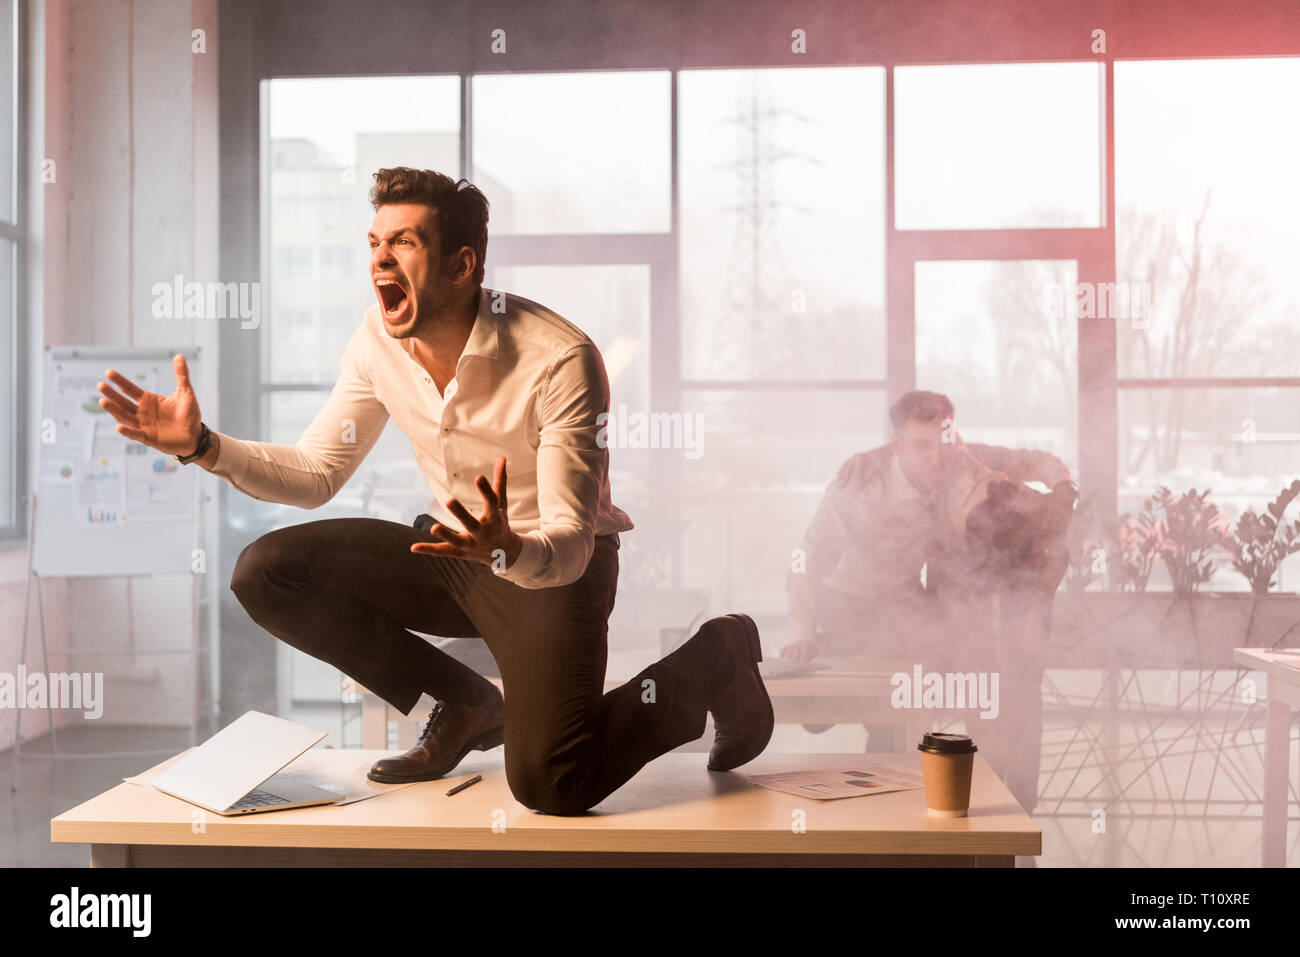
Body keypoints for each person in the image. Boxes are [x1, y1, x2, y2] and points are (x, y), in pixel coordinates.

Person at [95, 167, 773, 816]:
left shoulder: (559, 358)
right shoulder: (376, 339)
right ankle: (462, 702)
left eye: (405, 244)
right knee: (266, 572)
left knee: (552, 782)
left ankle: (715, 658)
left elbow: (570, 540)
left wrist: (507, 546)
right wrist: (202, 446)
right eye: (375, 243)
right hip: (456, 554)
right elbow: (314, 473)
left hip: (553, 572)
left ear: (462, 265)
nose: (380, 261)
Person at [781, 390, 1075, 813]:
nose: (934, 458)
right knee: (832, 711)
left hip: (905, 604)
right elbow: (806, 560)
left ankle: (920, 819)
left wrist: (1066, 485)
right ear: (898, 446)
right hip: (846, 600)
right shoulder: (856, 489)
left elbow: (1032, 460)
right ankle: (880, 817)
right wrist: (802, 631)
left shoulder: (960, 463)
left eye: (942, 443)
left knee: (906, 711)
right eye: (920, 447)